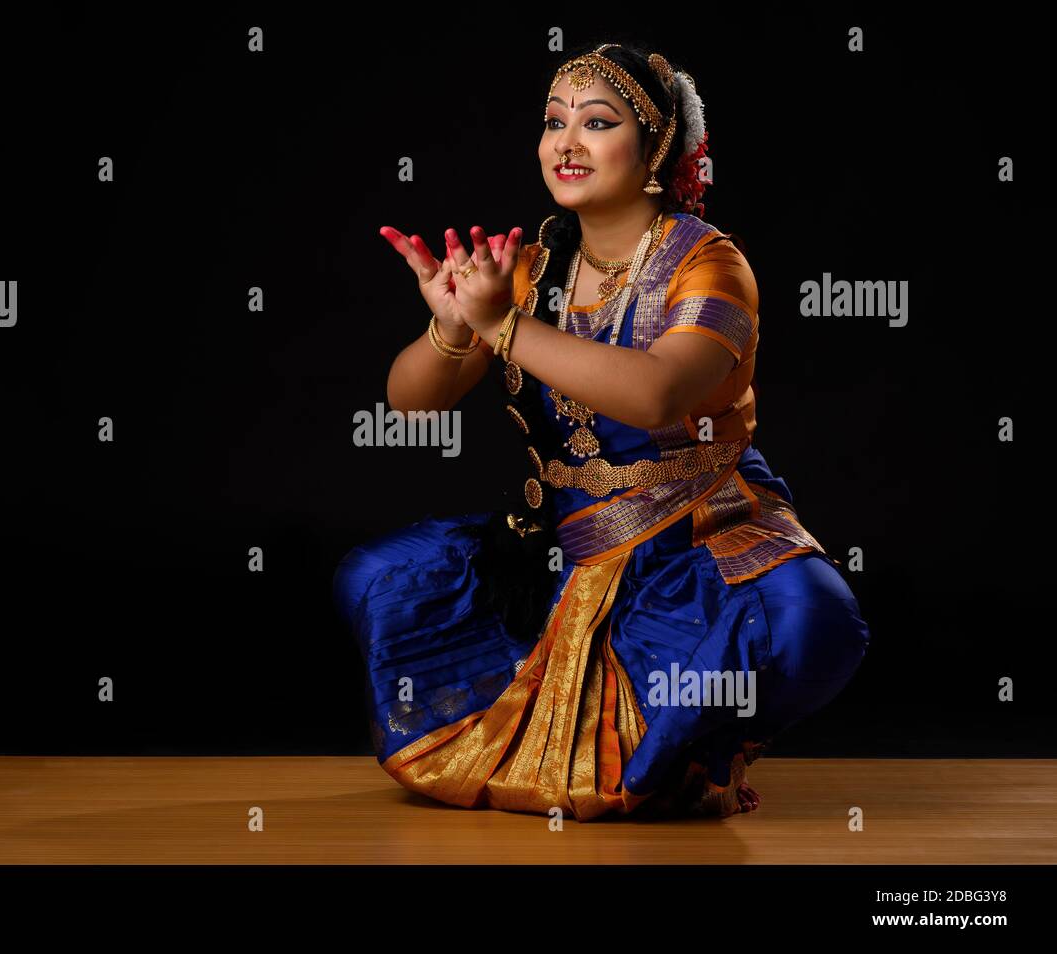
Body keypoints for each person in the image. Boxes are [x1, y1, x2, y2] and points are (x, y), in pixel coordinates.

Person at [332, 40, 869, 821]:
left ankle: (695, 752)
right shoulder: (532, 268)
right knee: (376, 577)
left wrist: (503, 326)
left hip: (691, 536)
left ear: (655, 148)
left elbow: (654, 396)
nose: (566, 142)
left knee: (809, 620)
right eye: (555, 122)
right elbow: (412, 402)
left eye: (597, 121)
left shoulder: (710, 266)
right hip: (569, 543)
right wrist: (451, 328)